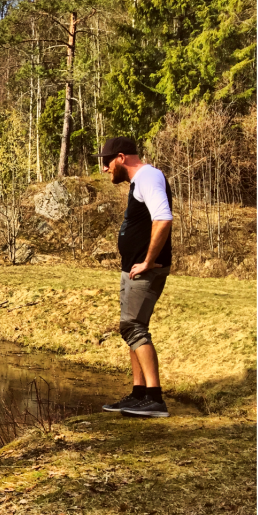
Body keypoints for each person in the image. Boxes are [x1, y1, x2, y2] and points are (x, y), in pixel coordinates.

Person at [94, 136, 173, 418]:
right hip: (133, 269)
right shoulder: (139, 181)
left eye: (107, 162)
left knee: (133, 327)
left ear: (121, 157)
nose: (104, 169)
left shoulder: (148, 177)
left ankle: (154, 398)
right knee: (132, 328)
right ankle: (139, 394)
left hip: (145, 270)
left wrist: (148, 261)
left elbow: (163, 218)